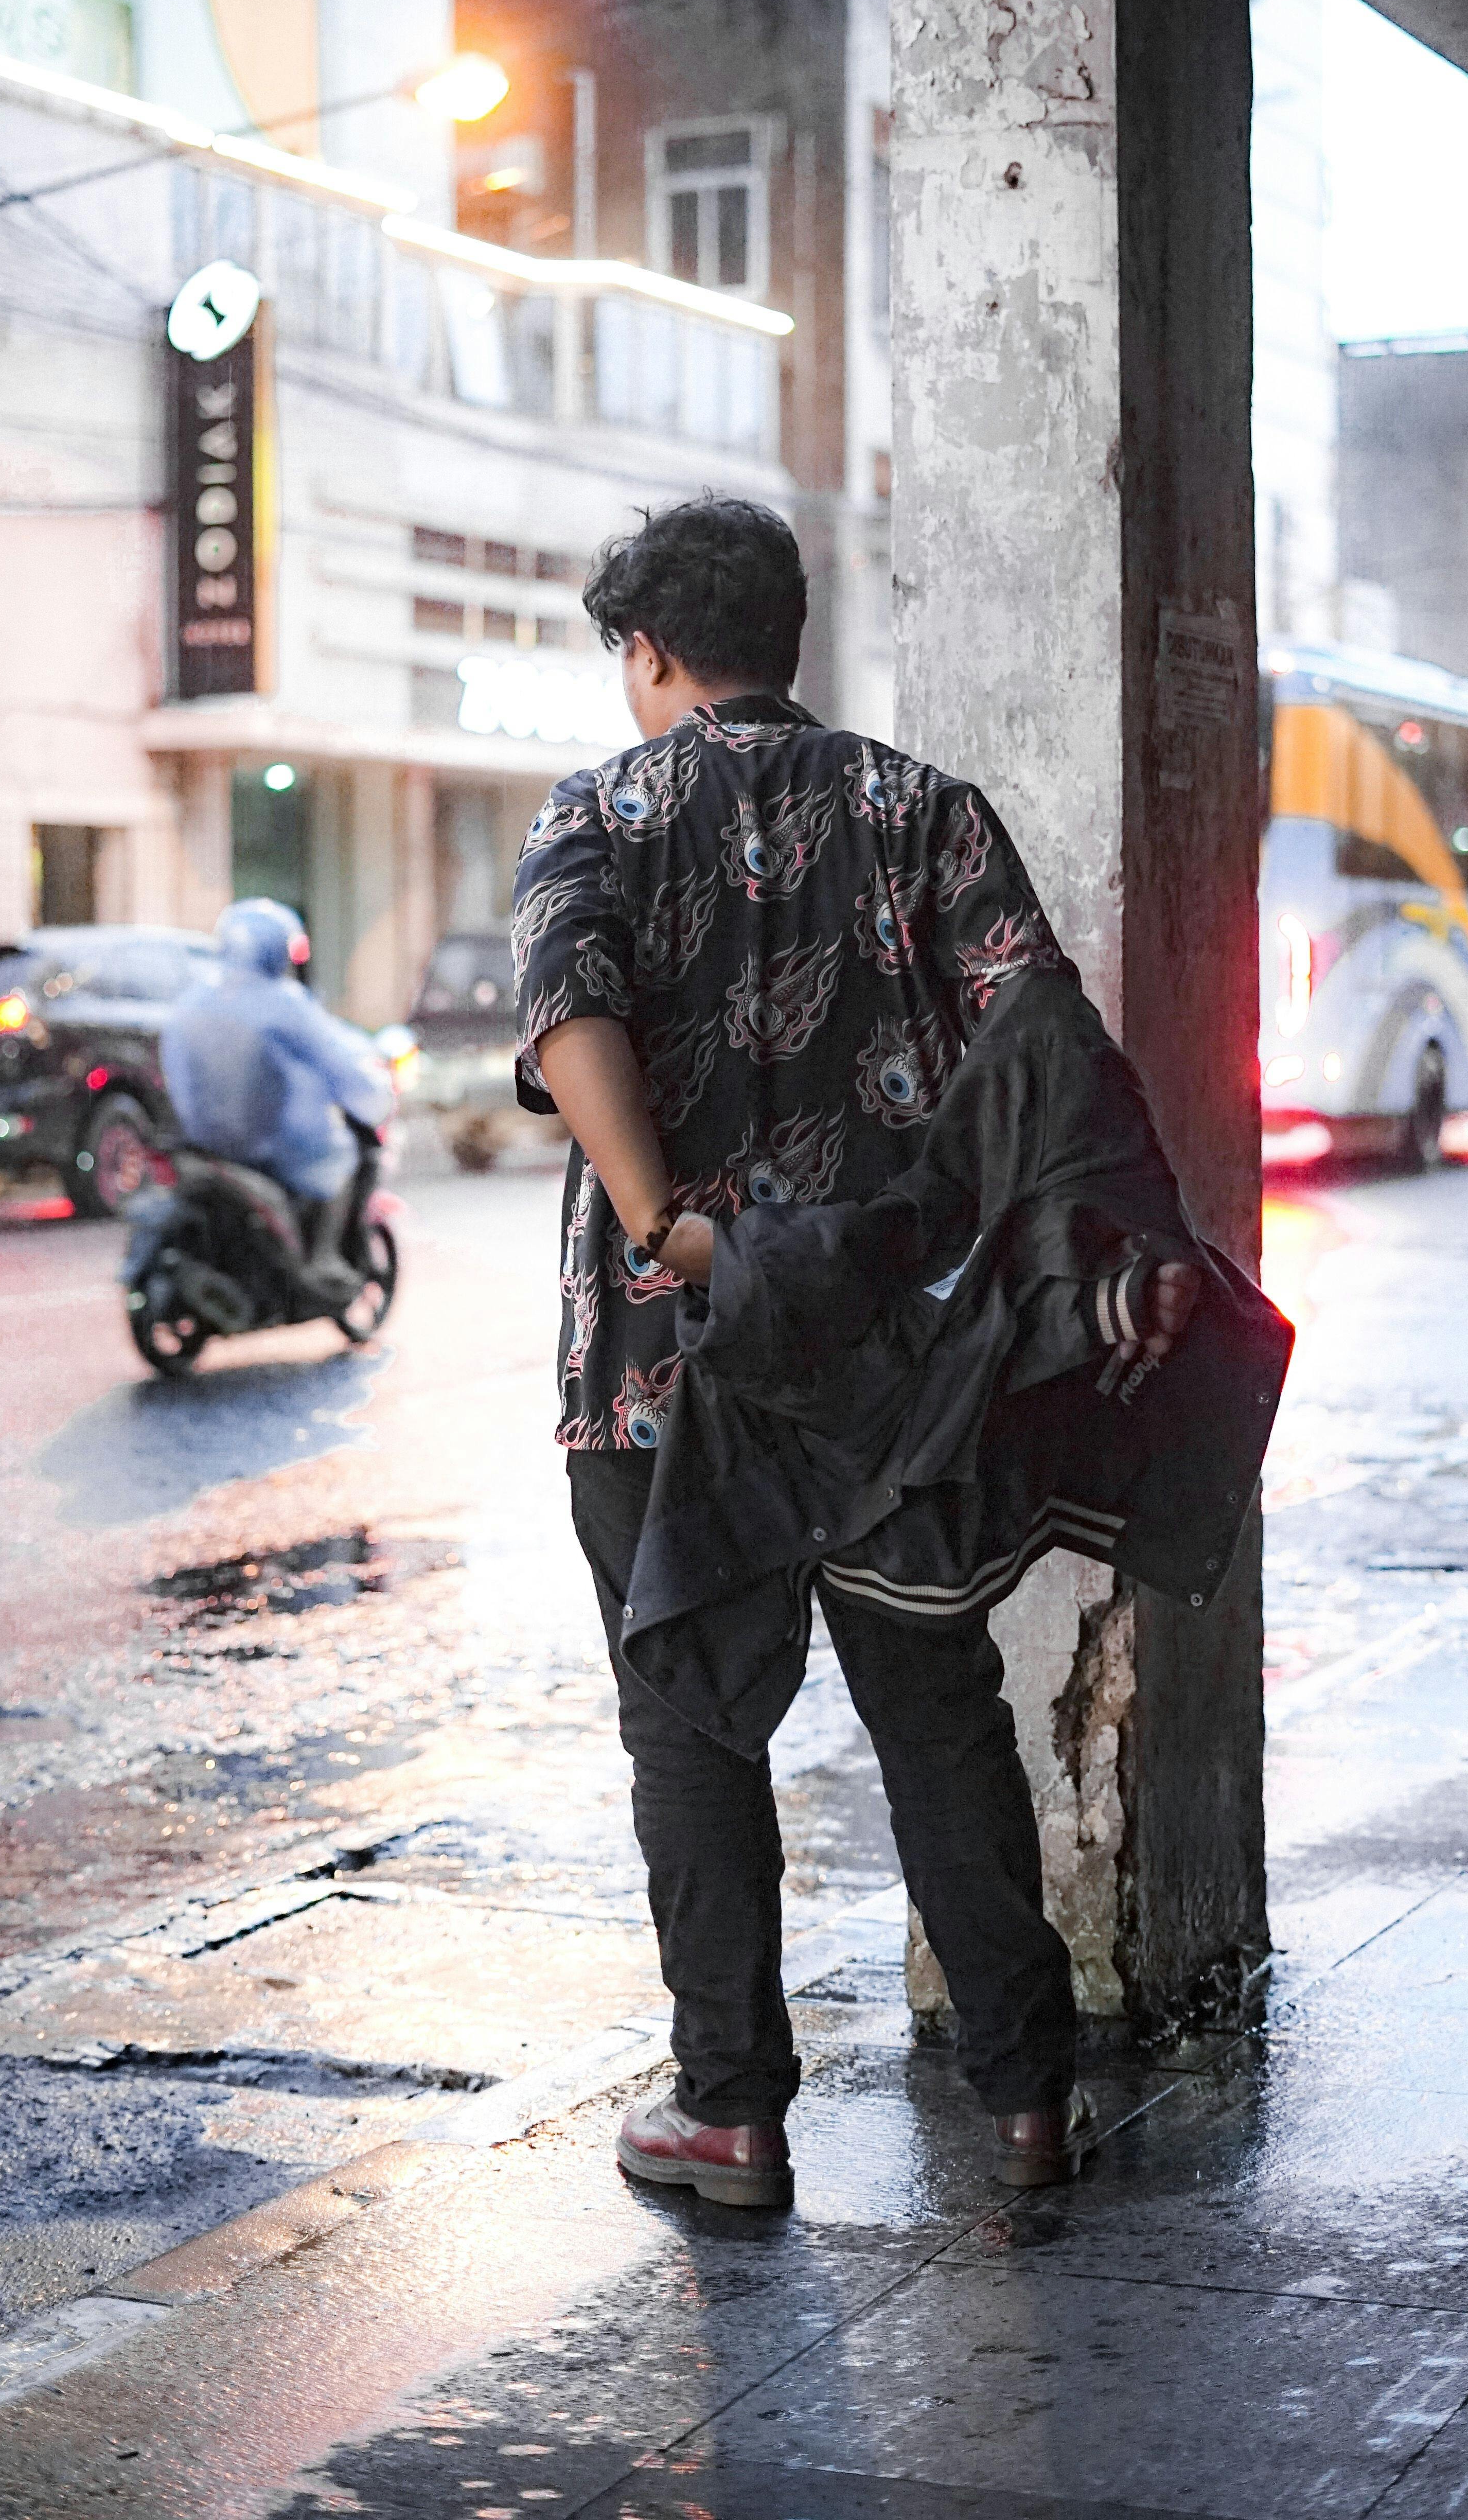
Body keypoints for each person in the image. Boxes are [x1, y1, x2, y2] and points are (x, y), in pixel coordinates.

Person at [513, 495, 1199, 2210]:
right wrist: (1118, 1255)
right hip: (895, 1371)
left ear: (648, 654)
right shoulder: (919, 808)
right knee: (931, 1711)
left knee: (691, 1729)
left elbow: (565, 1014)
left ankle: (730, 2113)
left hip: (664, 1372)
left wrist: (671, 1223)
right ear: (789, 642)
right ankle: (1029, 2100)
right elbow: (1041, 1041)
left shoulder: (596, 811)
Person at [161, 898, 391, 1302]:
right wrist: (374, 1099)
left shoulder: (193, 1001)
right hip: (272, 1150)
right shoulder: (283, 1003)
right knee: (341, 1159)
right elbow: (339, 1065)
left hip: (202, 1143)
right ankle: (323, 1261)